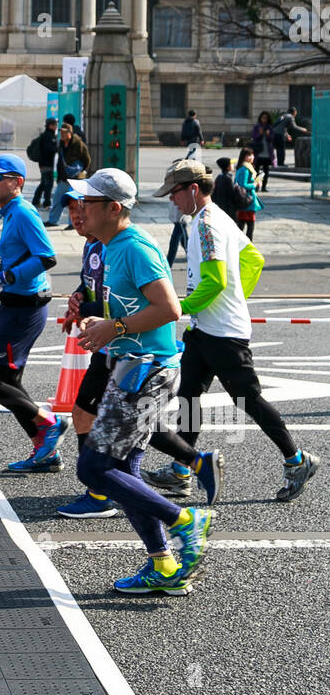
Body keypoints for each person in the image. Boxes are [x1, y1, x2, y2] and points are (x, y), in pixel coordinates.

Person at [74, 168, 213, 595]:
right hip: (132, 366)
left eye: (88, 202)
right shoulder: (109, 246)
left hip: (147, 370)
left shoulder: (133, 247)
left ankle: (186, 521)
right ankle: (165, 566)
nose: (80, 208)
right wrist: (97, 315)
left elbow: (169, 309)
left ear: (114, 209)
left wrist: (113, 328)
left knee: (93, 467)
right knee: (126, 469)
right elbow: (131, 306)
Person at [151, 158, 320, 504]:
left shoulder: (206, 225)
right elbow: (253, 258)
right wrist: (235, 297)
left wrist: (181, 307)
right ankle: (183, 470)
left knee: (248, 399)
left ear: (193, 190)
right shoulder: (214, 218)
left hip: (223, 332)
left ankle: (297, 460)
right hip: (207, 329)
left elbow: (214, 281)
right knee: (189, 397)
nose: (171, 199)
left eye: (174, 192)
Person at [0, 154, 65, 472]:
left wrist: (7, 277)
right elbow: (18, 258)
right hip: (12, 304)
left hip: (25, 309)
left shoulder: (23, 212)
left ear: (18, 182)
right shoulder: (10, 212)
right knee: (10, 380)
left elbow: (47, 257)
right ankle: (45, 452)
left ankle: (50, 423)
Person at [55, 186, 119, 518]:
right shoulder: (92, 243)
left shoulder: (115, 246)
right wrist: (78, 298)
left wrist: (86, 308)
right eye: (71, 211)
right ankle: (195, 462)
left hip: (123, 345)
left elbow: (117, 301)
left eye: (83, 209)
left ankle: (98, 492)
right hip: (108, 343)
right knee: (115, 419)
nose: (77, 217)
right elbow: (90, 284)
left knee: (86, 413)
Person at [45, 122, 91, 226]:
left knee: (74, 202)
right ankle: (53, 220)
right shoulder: (61, 144)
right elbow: (60, 161)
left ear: (70, 133)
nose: (62, 134)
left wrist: (80, 171)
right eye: (61, 132)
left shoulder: (78, 144)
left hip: (75, 179)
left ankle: (73, 223)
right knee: (57, 200)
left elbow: (87, 159)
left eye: (65, 132)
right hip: (64, 178)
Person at [28, 117, 58, 210]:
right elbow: (49, 149)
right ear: (50, 125)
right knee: (49, 183)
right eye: (55, 125)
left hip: (44, 163)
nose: (56, 127)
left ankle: (36, 201)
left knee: (43, 183)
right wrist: (57, 147)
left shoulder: (47, 135)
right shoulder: (48, 136)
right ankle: (47, 203)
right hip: (46, 164)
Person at [234, 146, 262, 240]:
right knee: (248, 225)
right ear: (244, 157)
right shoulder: (245, 169)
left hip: (244, 200)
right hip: (247, 200)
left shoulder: (244, 167)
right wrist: (254, 184)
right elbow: (243, 184)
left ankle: (241, 244)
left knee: (242, 224)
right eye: (248, 155)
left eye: (252, 155)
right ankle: (247, 244)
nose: (251, 157)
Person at [251, 111, 276, 191]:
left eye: (266, 118)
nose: (264, 120)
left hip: (267, 153)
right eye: (263, 118)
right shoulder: (257, 127)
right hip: (258, 152)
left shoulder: (270, 127)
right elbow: (254, 138)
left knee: (266, 171)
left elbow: (272, 139)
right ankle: (256, 186)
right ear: (260, 118)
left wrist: (268, 135)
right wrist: (260, 133)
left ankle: (264, 187)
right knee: (256, 170)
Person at [211, 157, 240, 222]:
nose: (233, 165)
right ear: (228, 167)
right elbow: (232, 193)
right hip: (228, 208)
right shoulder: (228, 178)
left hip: (220, 206)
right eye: (231, 164)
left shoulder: (219, 176)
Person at [166, 193, 189, 267]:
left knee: (175, 240)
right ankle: (193, 257)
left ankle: (168, 263)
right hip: (178, 208)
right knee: (184, 239)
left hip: (181, 214)